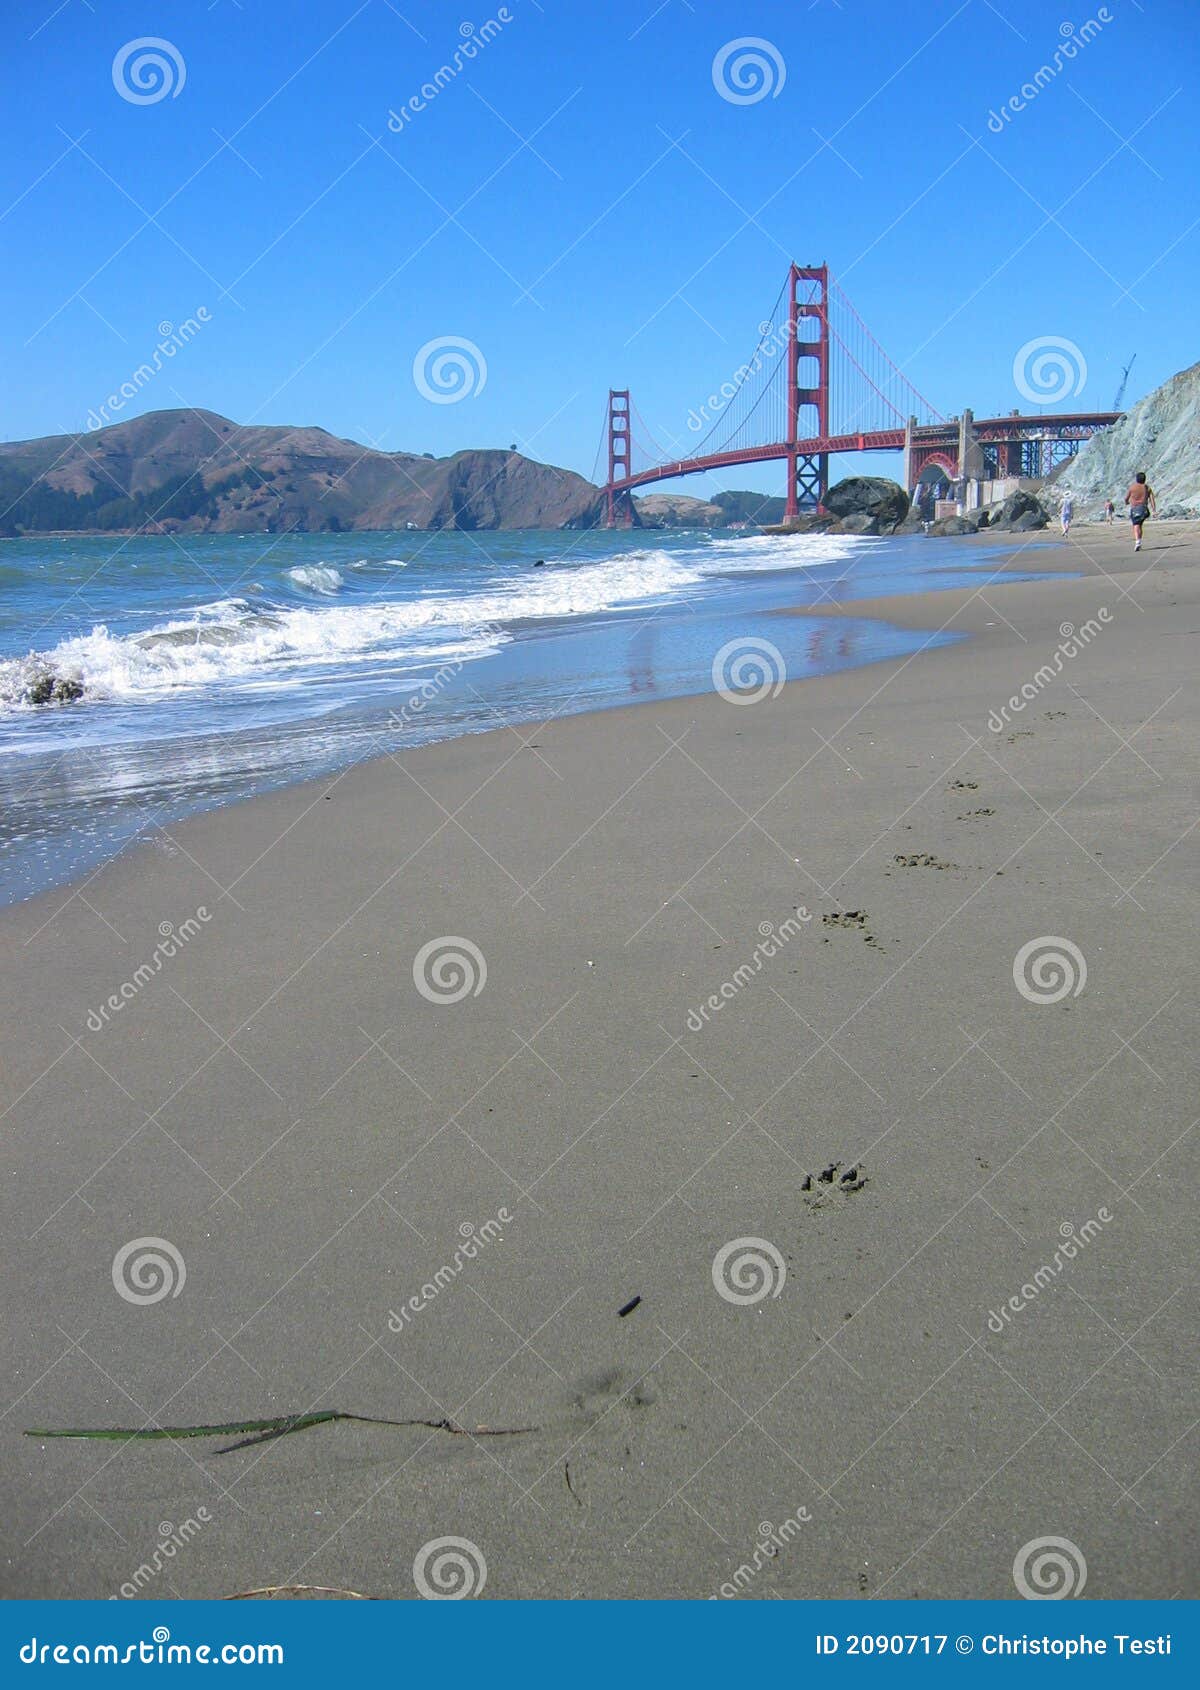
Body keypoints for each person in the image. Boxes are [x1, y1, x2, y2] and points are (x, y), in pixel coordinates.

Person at [1124, 471, 1156, 552]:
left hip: (1135, 509)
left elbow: (1126, 498)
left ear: (1137, 479)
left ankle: (1137, 542)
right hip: (1144, 510)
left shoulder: (1132, 487)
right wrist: (1154, 510)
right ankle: (1139, 542)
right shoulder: (1147, 488)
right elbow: (1152, 499)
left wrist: (1127, 502)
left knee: (1136, 525)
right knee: (1140, 525)